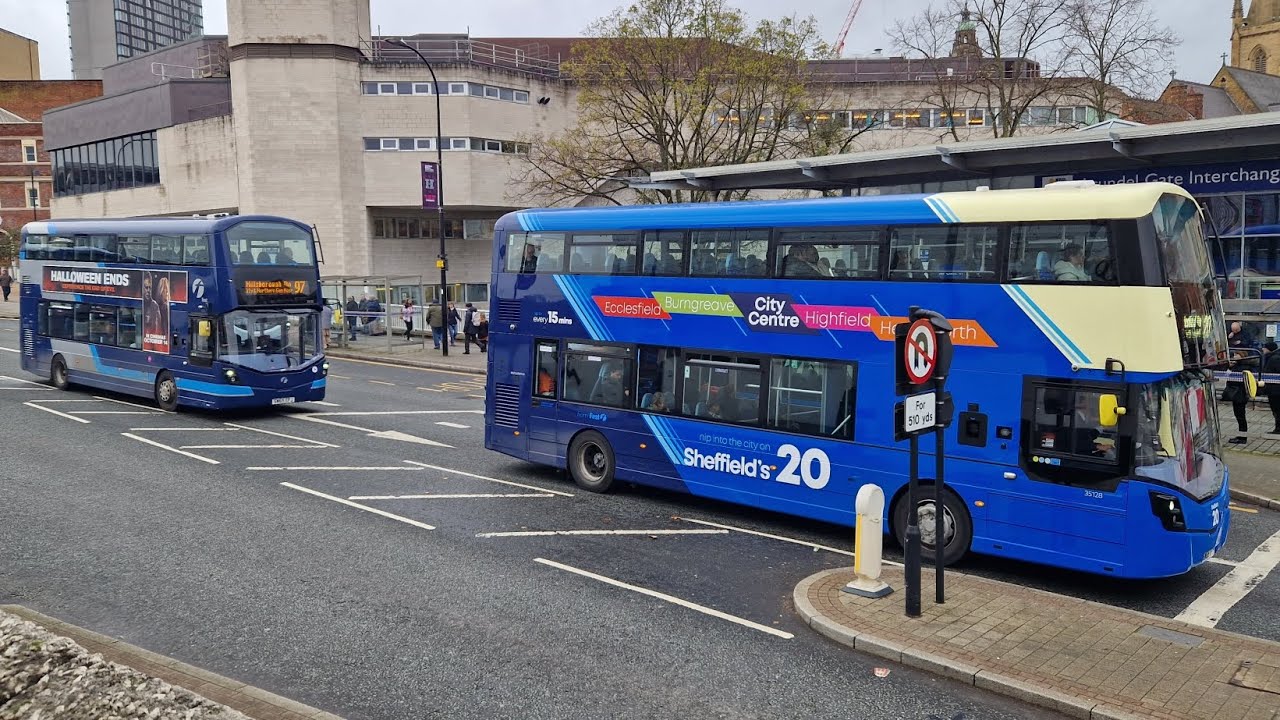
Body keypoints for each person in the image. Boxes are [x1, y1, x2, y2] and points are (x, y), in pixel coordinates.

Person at [1226, 324, 1256, 444]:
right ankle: (1242, 436)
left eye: (1236, 355)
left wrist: (1231, 369)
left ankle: (1242, 437)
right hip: (1239, 394)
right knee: (1239, 416)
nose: (1234, 357)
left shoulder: (1242, 367)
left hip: (1239, 394)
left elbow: (1233, 379)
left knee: (1240, 416)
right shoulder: (1241, 365)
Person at [1264, 341, 1280, 435]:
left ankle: (1278, 428)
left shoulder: (1274, 359)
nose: (1263, 349)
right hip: (1274, 388)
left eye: (1264, 347)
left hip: (1275, 389)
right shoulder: (1272, 357)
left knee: (1276, 409)